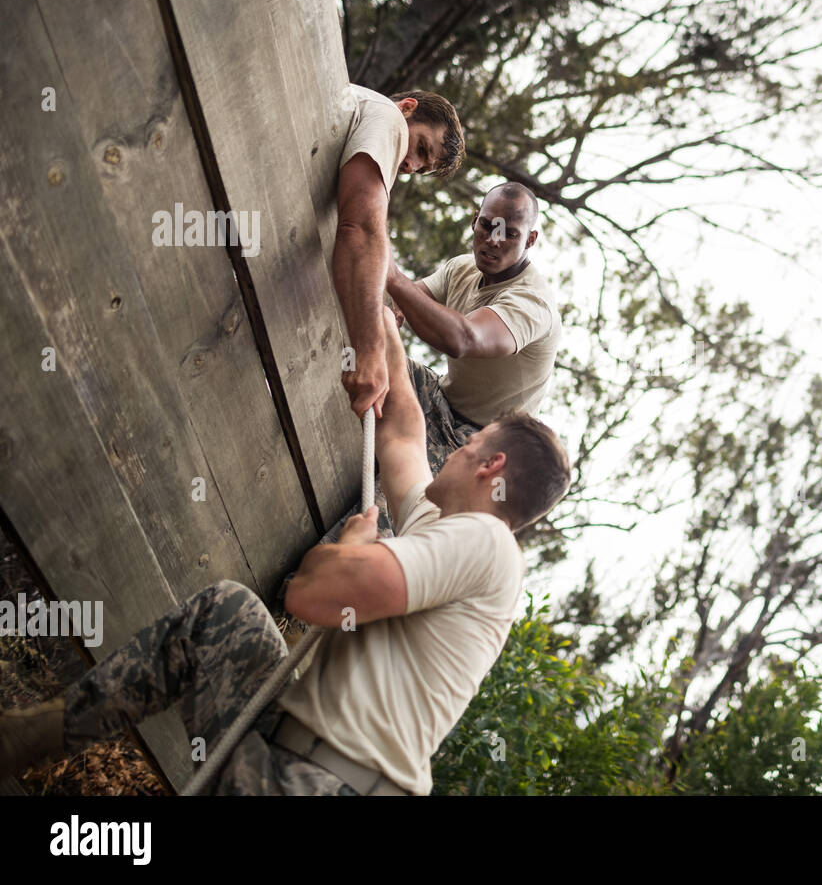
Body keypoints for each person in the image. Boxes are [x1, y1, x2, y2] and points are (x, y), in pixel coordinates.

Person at [0, 308, 570, 795]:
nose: (453, 452)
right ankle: (23, 738)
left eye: (468, 444)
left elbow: (316, 595)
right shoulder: (440, 528)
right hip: (289, 760)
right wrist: (379, 311)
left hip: (324, 784)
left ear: (491, 465)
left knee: (235, 611)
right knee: (230, 616)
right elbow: (401, 427)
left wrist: (348, 548)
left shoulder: (488, 544)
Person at [319, 180, 561, 543]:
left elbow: (463, 338)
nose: (493, 240)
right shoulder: (462, 268)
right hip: (437, 398)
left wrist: (392, 275)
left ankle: (321, 583)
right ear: (474, 220)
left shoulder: (532, 303)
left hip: (473, 442)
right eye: (486, 226)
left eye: (510, 234)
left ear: (530, 240)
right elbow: (403, 301)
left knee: (393, 509)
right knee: (357, 345)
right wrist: (387, 307)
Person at [334, 84, 465, 421]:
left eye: (422, 167)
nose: (411, 165)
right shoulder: (390, 117)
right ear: (408, 107)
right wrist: (371, 351)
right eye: (421, 147)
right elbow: (361, 231)